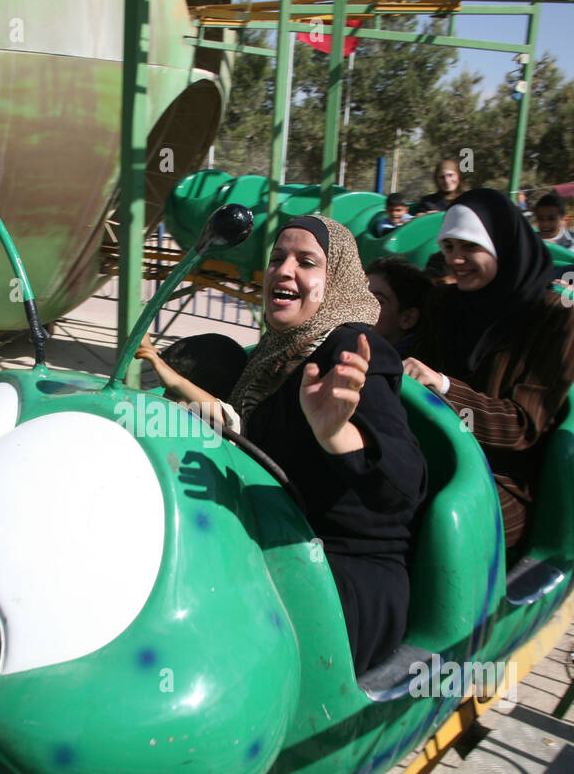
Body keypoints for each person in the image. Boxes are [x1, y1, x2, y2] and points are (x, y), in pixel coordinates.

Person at [143, 215, 427, 675]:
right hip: (267, 540)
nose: (284, 270)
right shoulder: (275, 355)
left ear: (336, 280)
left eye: (307, 262)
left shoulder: (348, 352)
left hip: (340, 572)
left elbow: (401, 488)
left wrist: (336, 433)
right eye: (277, 258)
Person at [403, 188, 574, 550]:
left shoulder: (556, 313)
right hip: (429, 451)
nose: (456, 260)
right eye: (449, 248)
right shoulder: (443, 302)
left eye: (469, 247)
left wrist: (443, 387)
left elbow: (522, 424)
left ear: (502, 243)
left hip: (498, 472)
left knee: (430, 522)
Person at [366, 256, 431, 355]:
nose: (360, 307)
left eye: (376, 301)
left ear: (407, 318)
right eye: (360, 297)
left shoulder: (408, 367)